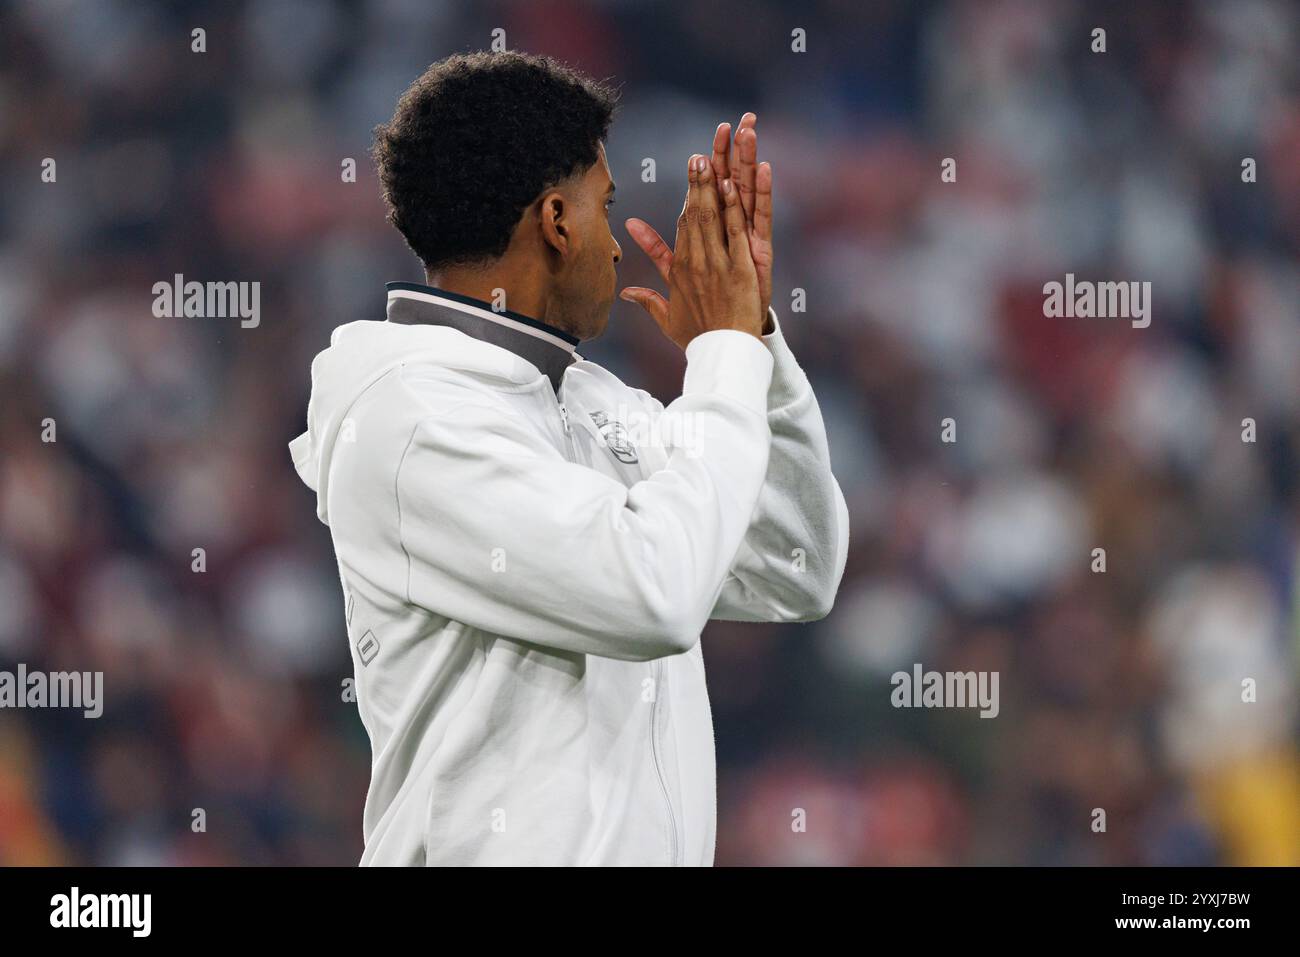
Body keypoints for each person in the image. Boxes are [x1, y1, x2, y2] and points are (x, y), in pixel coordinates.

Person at [289, 50, 849, 865]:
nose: (619, 245)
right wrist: (722, 354)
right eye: (605, 206)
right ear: (556, 221)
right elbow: (652, 594)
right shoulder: (409, 418)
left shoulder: (590, 401)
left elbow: (794, 563)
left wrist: (752, 340)